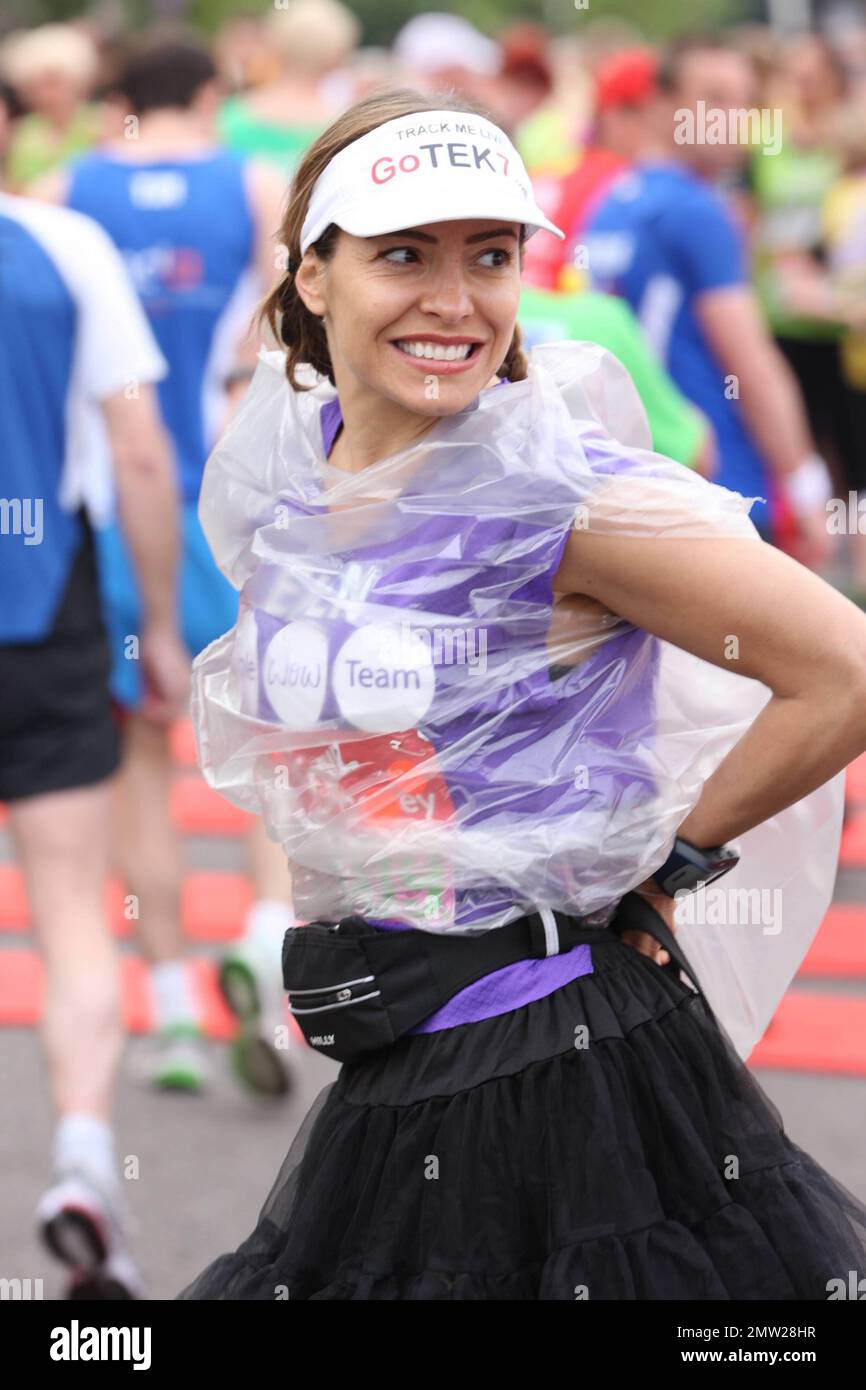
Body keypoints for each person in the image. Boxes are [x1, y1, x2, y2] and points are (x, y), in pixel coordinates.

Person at [178, 89, 866, 1301]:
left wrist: (671, 868)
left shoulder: (560, 496)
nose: (455, 300)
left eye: (489, 257)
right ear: (312, 276)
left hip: (554, 1062)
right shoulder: (298, 469)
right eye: (404, 255)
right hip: (392, 1058)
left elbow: (839, 672)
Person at [31, 32, 297, 1096]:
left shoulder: (63, 190)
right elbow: (289, 333)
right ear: (208, 92)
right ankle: (267, 941)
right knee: (268, 735)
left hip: (110, 504)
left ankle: (179, 1005)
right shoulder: (250, 181)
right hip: (226, 493)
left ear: (118, 99)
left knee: (141, 756)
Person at [0, 81, 188, 1297]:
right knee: (72, 909)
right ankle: (79, 1159)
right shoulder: (63, 245)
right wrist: (161, 621)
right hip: (43, 610)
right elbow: (136, 449)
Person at [585, 34, 833, 560]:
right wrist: (806, 485)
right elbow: (751, 362)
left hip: (640, 482)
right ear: (662, 103)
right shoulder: (695, 210)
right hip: (717, 485)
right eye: (714, 98)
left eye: (745, 101)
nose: (733, 118)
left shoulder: (613, 201)